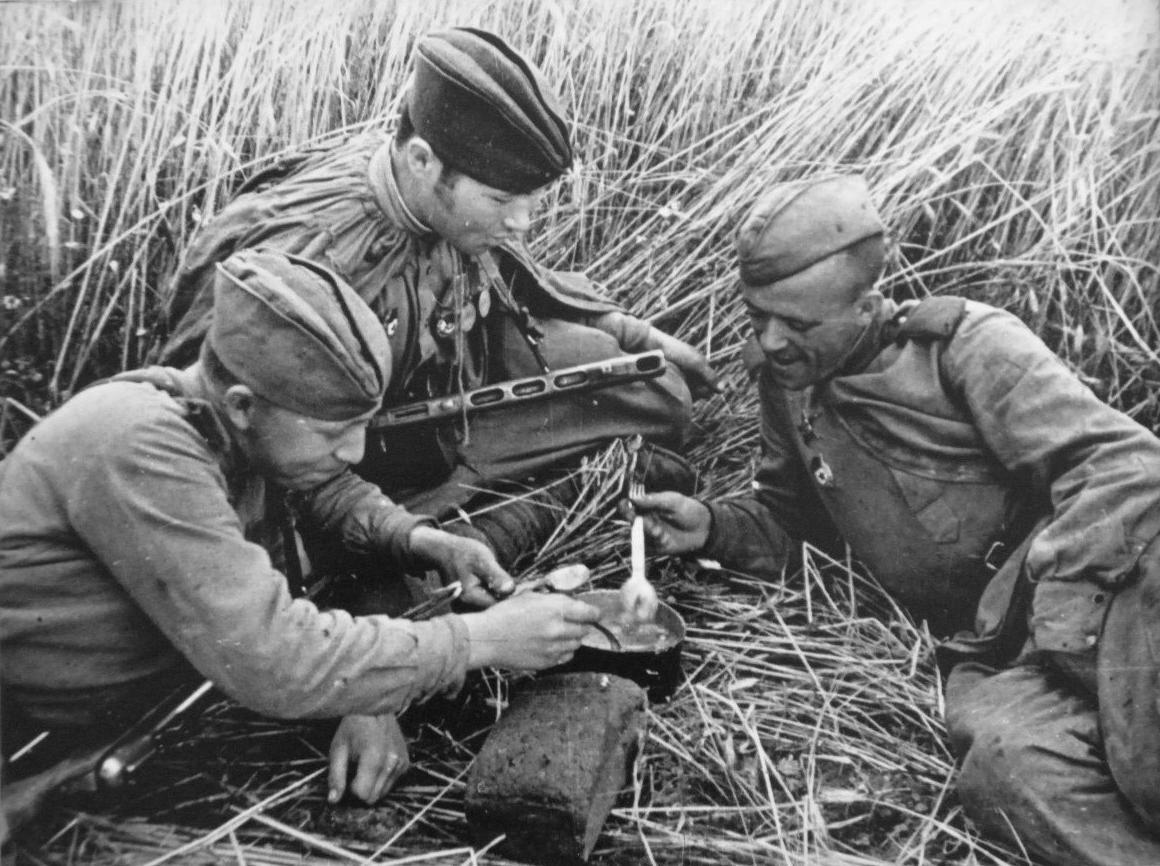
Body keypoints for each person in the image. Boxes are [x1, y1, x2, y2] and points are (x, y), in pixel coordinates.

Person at [630, 175, 1160, 865]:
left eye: (798, 324)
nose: (771, 340)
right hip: (996, 649)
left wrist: (1065, 617)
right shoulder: (789, 390)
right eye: (758, 316)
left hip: (1100, 584)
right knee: (1004, 771)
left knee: (1147, 757)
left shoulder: (963, 347)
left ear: (865, 304)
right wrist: (710, 527)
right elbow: (798, 529)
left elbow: (1124, 467)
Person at [0, 249, 600, 822]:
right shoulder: (139, 444)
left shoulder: (234, 422)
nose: (355, 451)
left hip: (122, 713)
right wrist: (478, 640)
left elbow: (322, 488)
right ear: (242, 405)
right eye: (333, 433)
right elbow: (273, 657)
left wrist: (421, 540)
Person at [156, 26, 715, 572]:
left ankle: (489, 500)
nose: (522, 222)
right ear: (422, 161)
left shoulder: (438, 191)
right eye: (501, 201)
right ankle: (455, 531)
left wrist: (630, 331)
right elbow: (244, 429)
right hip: (349, 446)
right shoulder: (307, 254)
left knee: (661, 391)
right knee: (366, 565)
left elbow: (511, 277)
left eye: (533, 200)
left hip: (460, 377)